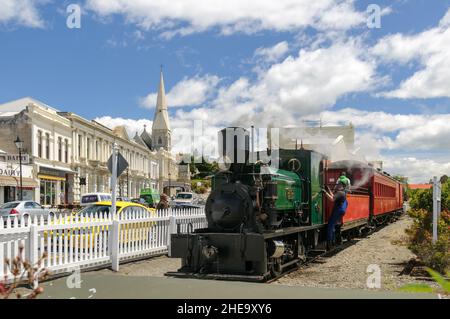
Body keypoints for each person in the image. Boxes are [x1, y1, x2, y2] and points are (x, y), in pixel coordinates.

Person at [323, 181, 348, 250]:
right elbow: (334, 196)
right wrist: (328, 190)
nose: (337, 186)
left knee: (330, 225)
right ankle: (333, 241)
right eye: (338, 185)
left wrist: (325, 193)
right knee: (333, 225)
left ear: (342, 186)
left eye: (339, 185)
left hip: (337, 210)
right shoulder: (342, 193)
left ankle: (329, 243)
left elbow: (332, 199)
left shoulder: (340, 193)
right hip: (339, 210)